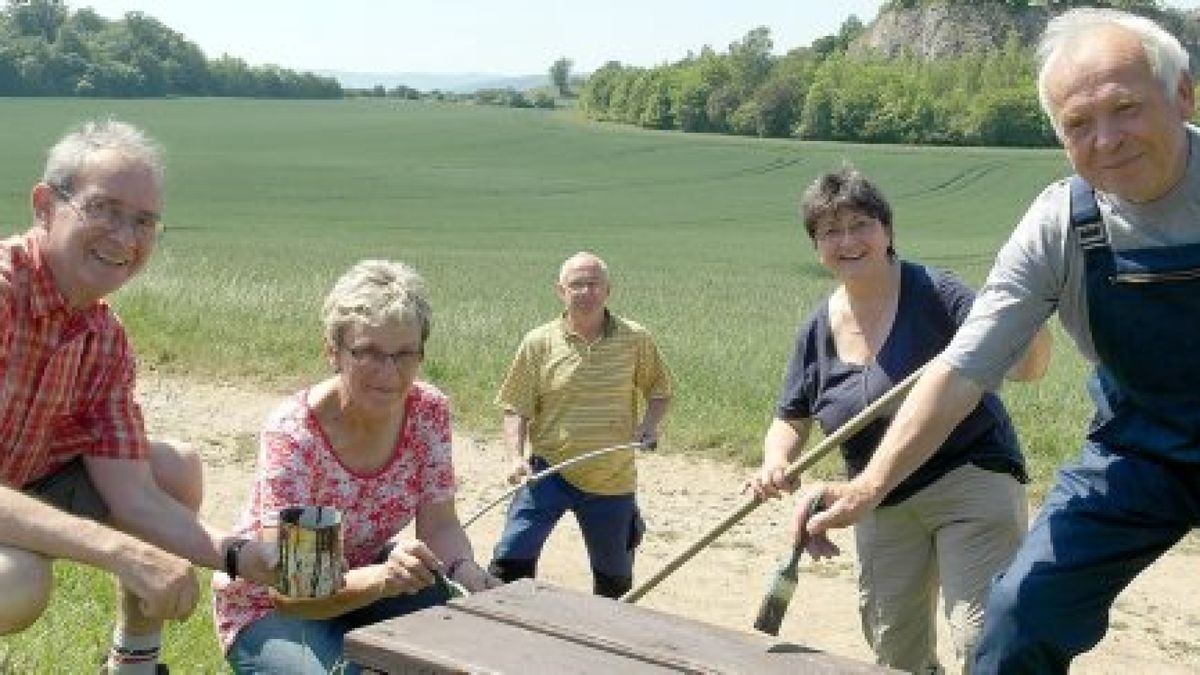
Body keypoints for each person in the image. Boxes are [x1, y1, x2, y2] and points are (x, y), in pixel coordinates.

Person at [790, 8, 1200, 674]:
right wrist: (867, 487)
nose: (1106, 139)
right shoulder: (1061, 224)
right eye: (1078, 124)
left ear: (1182, 94)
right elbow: (960, 372)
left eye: (1125, 108)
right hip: (1138, 451)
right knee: (1014, 620)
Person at [746, 167, 1050, 674]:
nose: (847, 241)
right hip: (877, 497)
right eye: (829, 232)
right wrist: (775, 461)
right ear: (817, 247)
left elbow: (1024, 367)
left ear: (887, 230)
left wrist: (1030, 327)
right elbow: (791, 416)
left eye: (860, 224)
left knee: (981, 636)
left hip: (968, 479)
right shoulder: (817, 329)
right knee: (894, 649)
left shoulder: (938, 292)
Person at [0, 119, 275, 674]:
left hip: (18, 483)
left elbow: (137, 497)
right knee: (17, 579)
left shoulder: (103, 337)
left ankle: (133, 667)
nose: (125, 238)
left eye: (143, 222)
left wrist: (243, 556)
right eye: (103, 209)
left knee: (173, 470)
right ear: (45, 205)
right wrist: (122, 552)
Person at [213, 259, 501, 673]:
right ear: (333, 350)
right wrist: (384, 577)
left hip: (367, 582)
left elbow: (439, 525)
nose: (390, 372)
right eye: (369, 353)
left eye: (405, 354)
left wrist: (465, 571)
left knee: (468, 645)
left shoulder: (428, 410)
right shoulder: (295, 433)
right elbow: (295, 592)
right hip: (275, 609)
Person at [487, 252, 673, 599]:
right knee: (509, 562)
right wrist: (515, 457)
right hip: (547, 471)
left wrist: (649, 426)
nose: (585, 291)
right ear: (561, 290)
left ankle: (604, 644)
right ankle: (505, 633)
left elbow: (661, 391)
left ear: (607, 290)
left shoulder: (635, 339)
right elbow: (516, 406)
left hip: (611, 477)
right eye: (576, 285)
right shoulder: (538, 342)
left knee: (614, 582)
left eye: (593, 284)